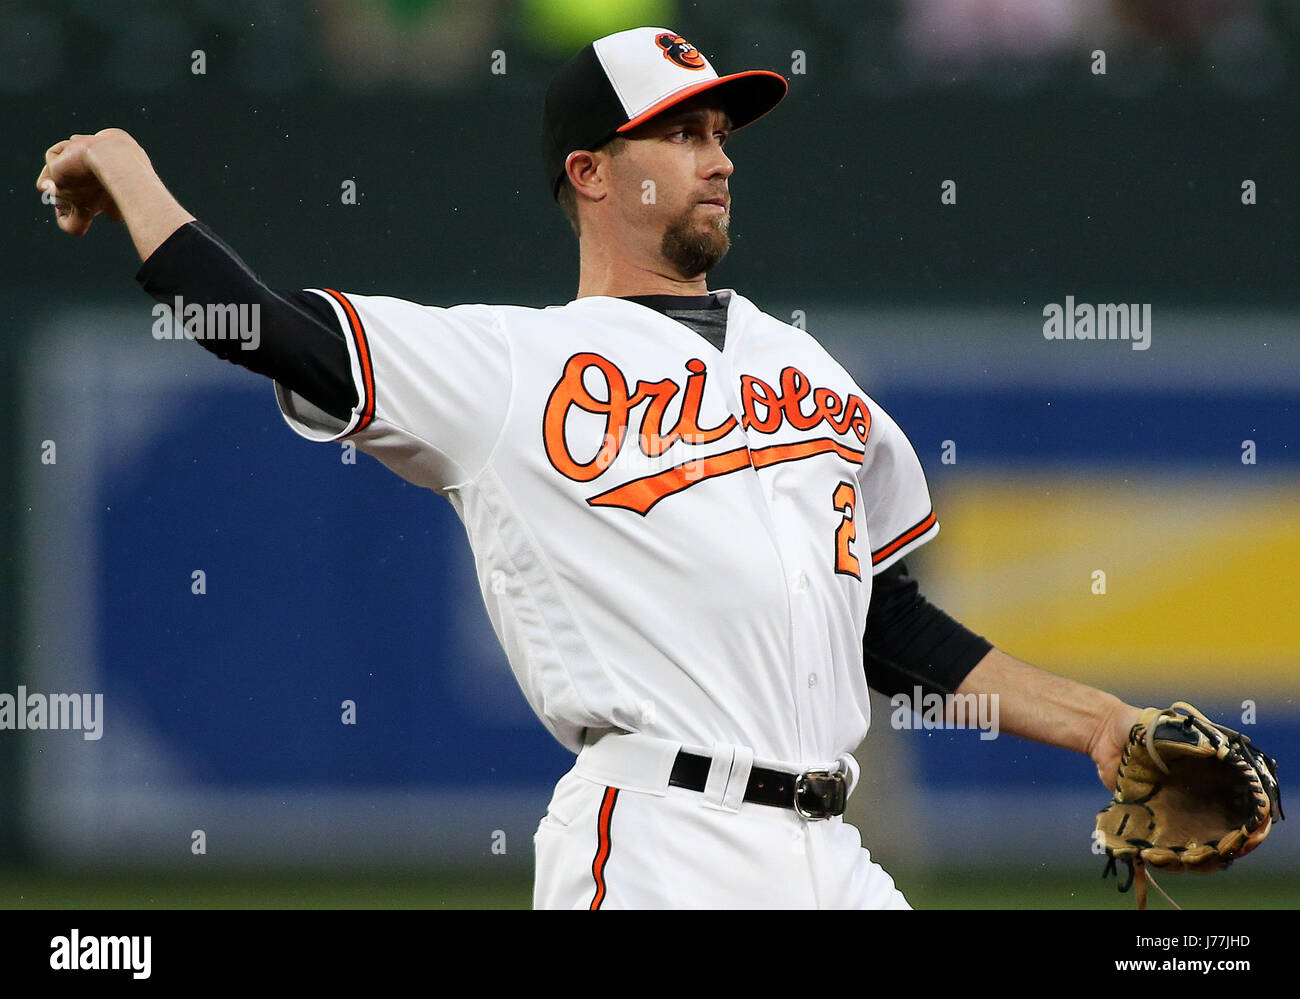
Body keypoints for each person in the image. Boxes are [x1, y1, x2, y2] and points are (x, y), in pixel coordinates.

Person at [37, 26, 1140, 909]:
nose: (719, 158)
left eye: (719, 131)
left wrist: (1099, 724)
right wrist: (131, 173)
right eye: (681, 133)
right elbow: (264, 329)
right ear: (591, 173)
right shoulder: (511, 365)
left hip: (832, 853)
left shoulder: (807, 371)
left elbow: (891, 631)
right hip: (660, 841)